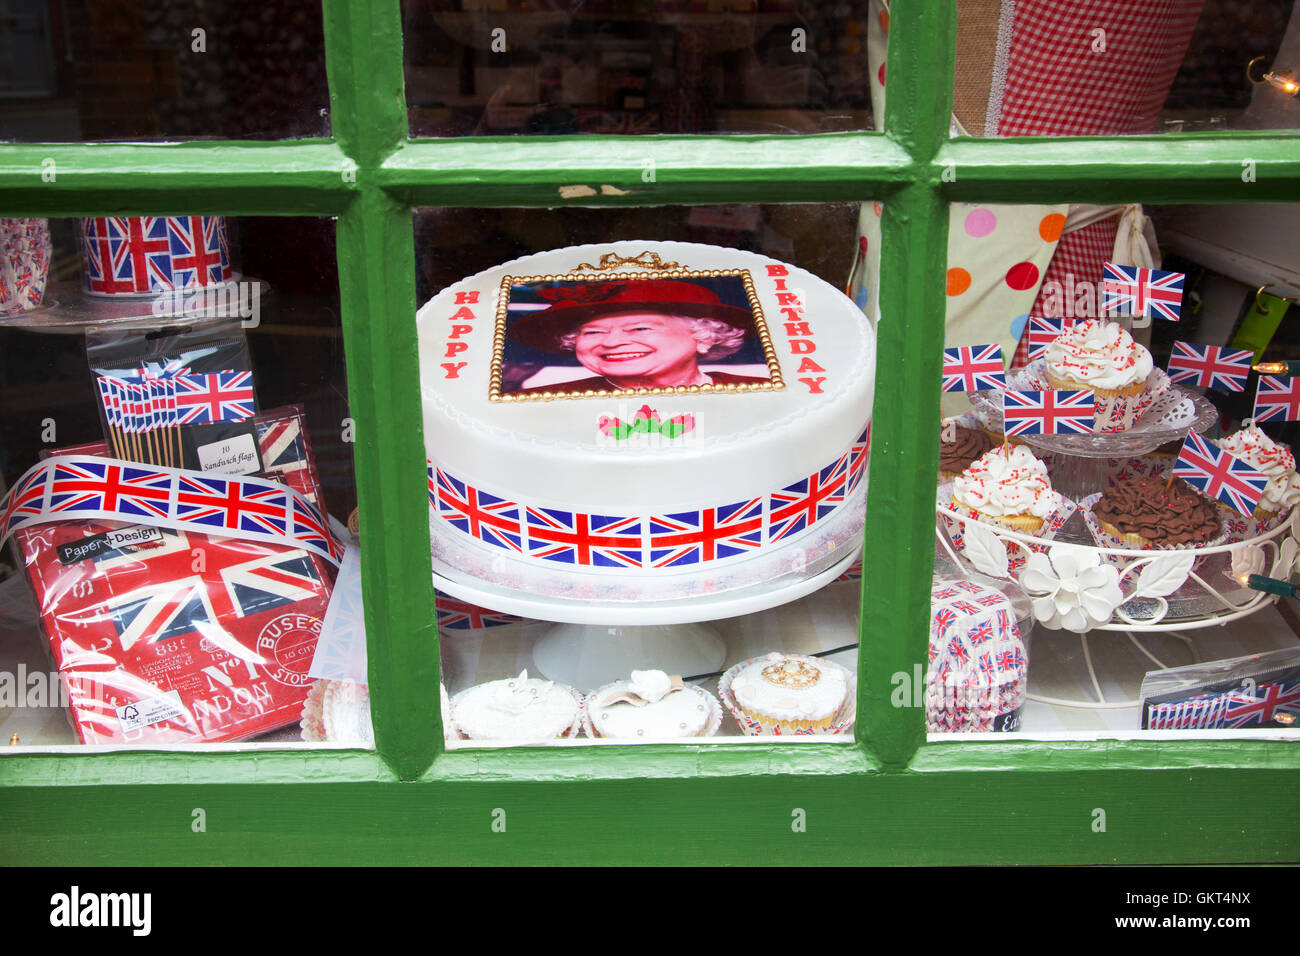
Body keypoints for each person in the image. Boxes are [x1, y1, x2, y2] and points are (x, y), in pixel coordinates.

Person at [507, 279, 771, 395]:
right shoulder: (544, 400)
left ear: (704, 337)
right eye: (593, 332)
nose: (610, 343)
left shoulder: (761, 392)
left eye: (640, 328)